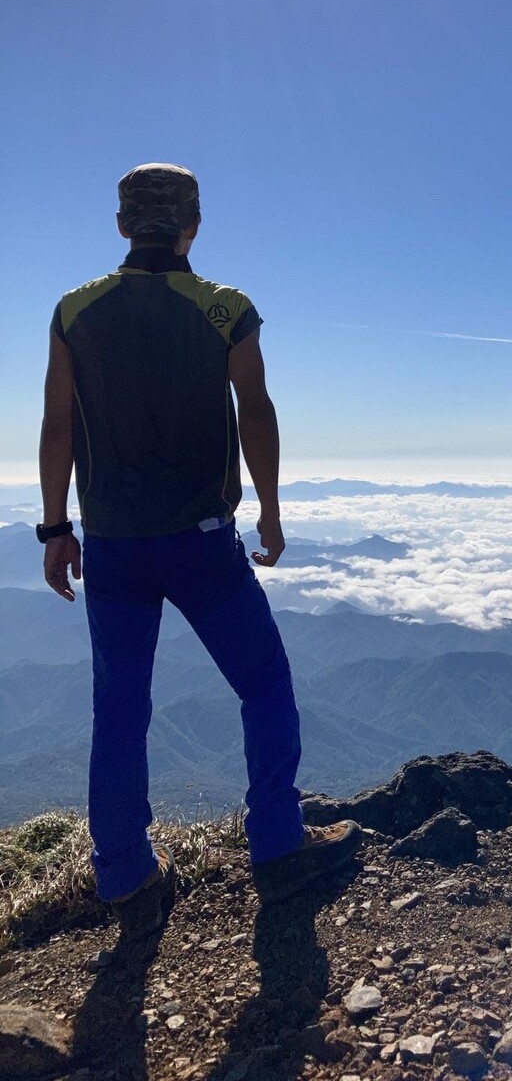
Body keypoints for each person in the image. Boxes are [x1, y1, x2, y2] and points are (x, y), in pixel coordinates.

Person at [38, 162, 360, 943]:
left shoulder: (75, 311)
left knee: (118, 712)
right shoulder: (226, 309)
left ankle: (125, 878)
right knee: (264, 681)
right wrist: (273, 512)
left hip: (112, 547)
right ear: (193, 224)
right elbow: (256, 410)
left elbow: (56, 428)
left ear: (122, 225)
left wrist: (55, 531)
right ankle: (279, 850)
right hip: (203, 546)